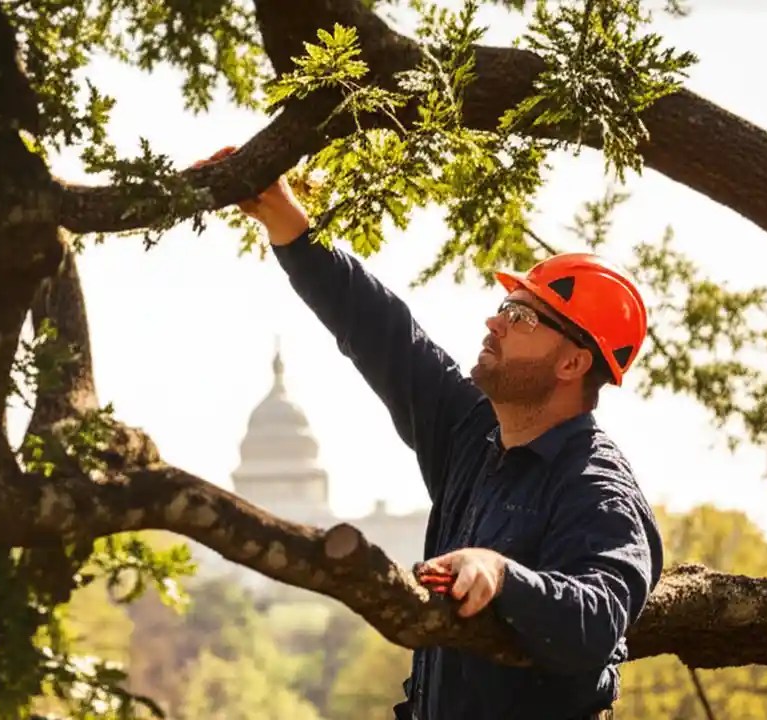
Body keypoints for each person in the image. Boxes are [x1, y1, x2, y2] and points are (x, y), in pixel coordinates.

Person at [195, 147, 664, 720]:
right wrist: (283, 216)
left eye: (522, 318)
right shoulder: (474, 437)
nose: (494, 322)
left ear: (572, 364)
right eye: (503, 306)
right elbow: (382, 331)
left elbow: (597, 618)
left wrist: (501, 574)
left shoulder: (595, 487)